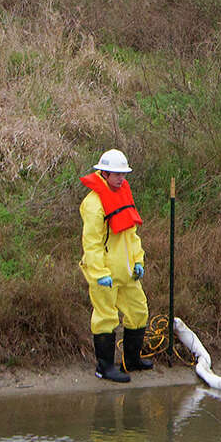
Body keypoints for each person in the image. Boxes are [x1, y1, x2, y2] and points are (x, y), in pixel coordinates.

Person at [79, 148, 154, 382]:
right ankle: (104, 367)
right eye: (116, 174)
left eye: (123, 174)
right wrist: (99, 273)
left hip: (126, 270)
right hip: (104, 273)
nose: (121, 179)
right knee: (105, 317)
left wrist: (138, 260)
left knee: (139, 311)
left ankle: (131, 360)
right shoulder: (94, 205)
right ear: (104, 173)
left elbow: (132, 235)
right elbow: (91, 243)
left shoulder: (123, 195)